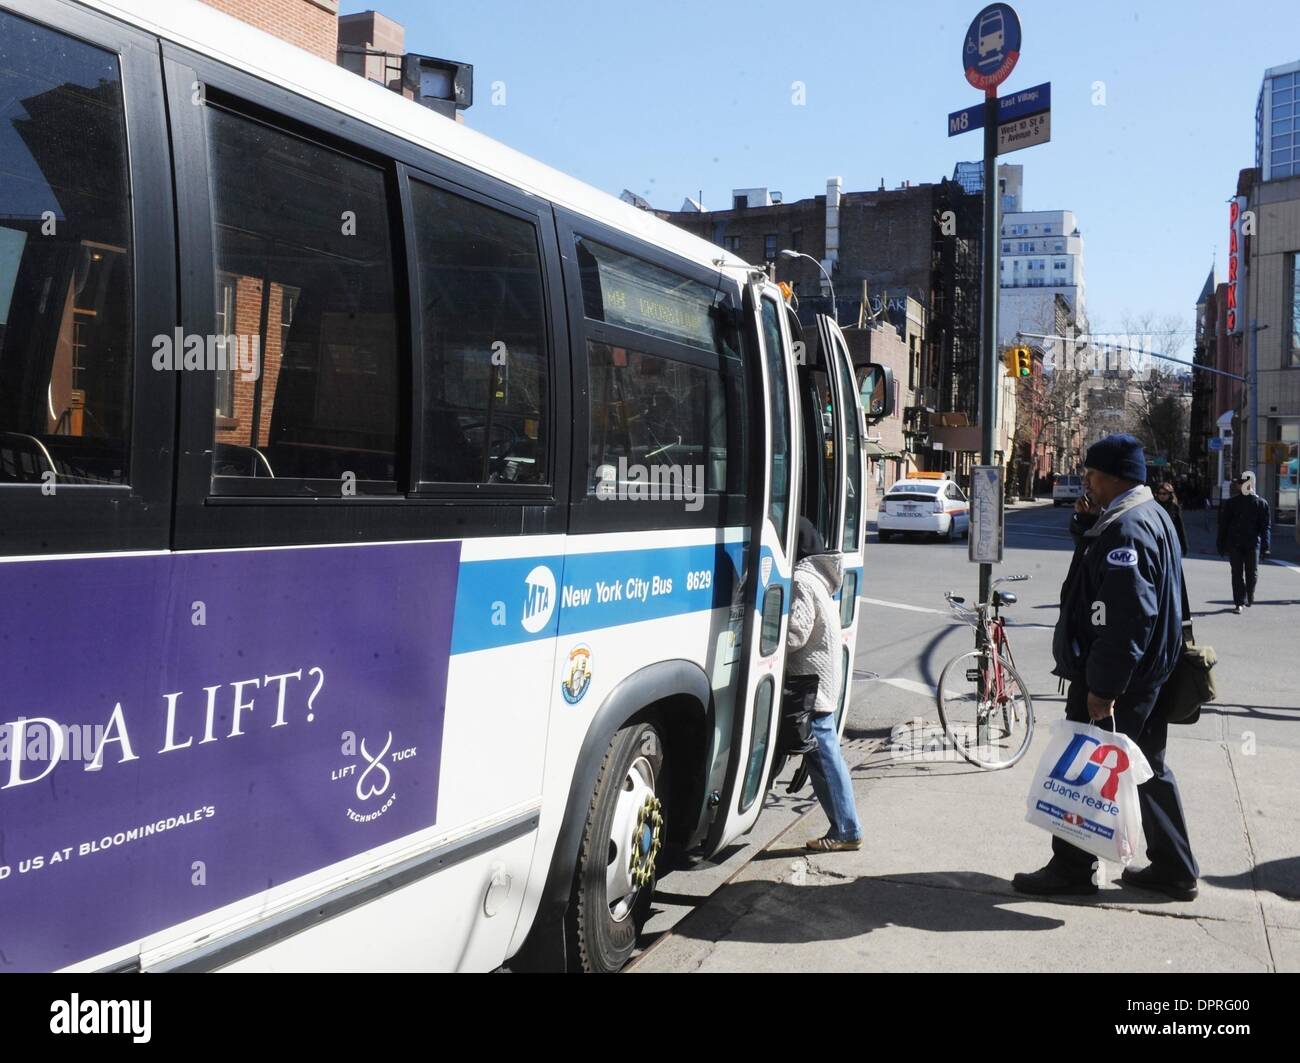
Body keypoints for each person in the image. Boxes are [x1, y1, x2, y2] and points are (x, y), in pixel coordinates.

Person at [1014, 434, 1199, 900]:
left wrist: (1103, 687)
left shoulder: (1127, 529)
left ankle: (1072, 868)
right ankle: (1175, 867)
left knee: (1087, 772)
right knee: (1148, 768)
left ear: (1115, 476)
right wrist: (1085, 529)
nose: (1087, 482)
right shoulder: (1145, 515)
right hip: (1150, 673)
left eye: (1093, 474)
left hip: (1123, 679)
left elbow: (1128, 618)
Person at [788, 518, 862, 852]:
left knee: (825, 759)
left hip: (810, 685)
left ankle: (847, 830)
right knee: (825, 757)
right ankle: (845, 827)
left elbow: (797, 632)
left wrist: (768, 631)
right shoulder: (819, 579)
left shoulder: (802, 580)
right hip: (822, 679)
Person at [1217, 471, 1271, 614]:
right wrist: (1220, 543)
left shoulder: (1261, 503)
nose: (1241, 486)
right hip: (1235, 543)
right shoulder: (1232, 503)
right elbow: (1224, 525)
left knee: (1251, 573)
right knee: (1236, 573)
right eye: (1240, 483)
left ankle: (1249, 592)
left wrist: (1266, 546)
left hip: (1253, 544)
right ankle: (1239, 602)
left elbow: (1265, 527)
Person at [1154, 481, 1189, 557]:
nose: (1161, 496)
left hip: (1170, 540)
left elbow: (1180, 527)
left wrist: (1184, 546)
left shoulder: (1175, 508)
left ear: (1170, 494)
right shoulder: (1154, 506)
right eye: (1160, 493)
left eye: (1164, 494)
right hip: (1157, 540)